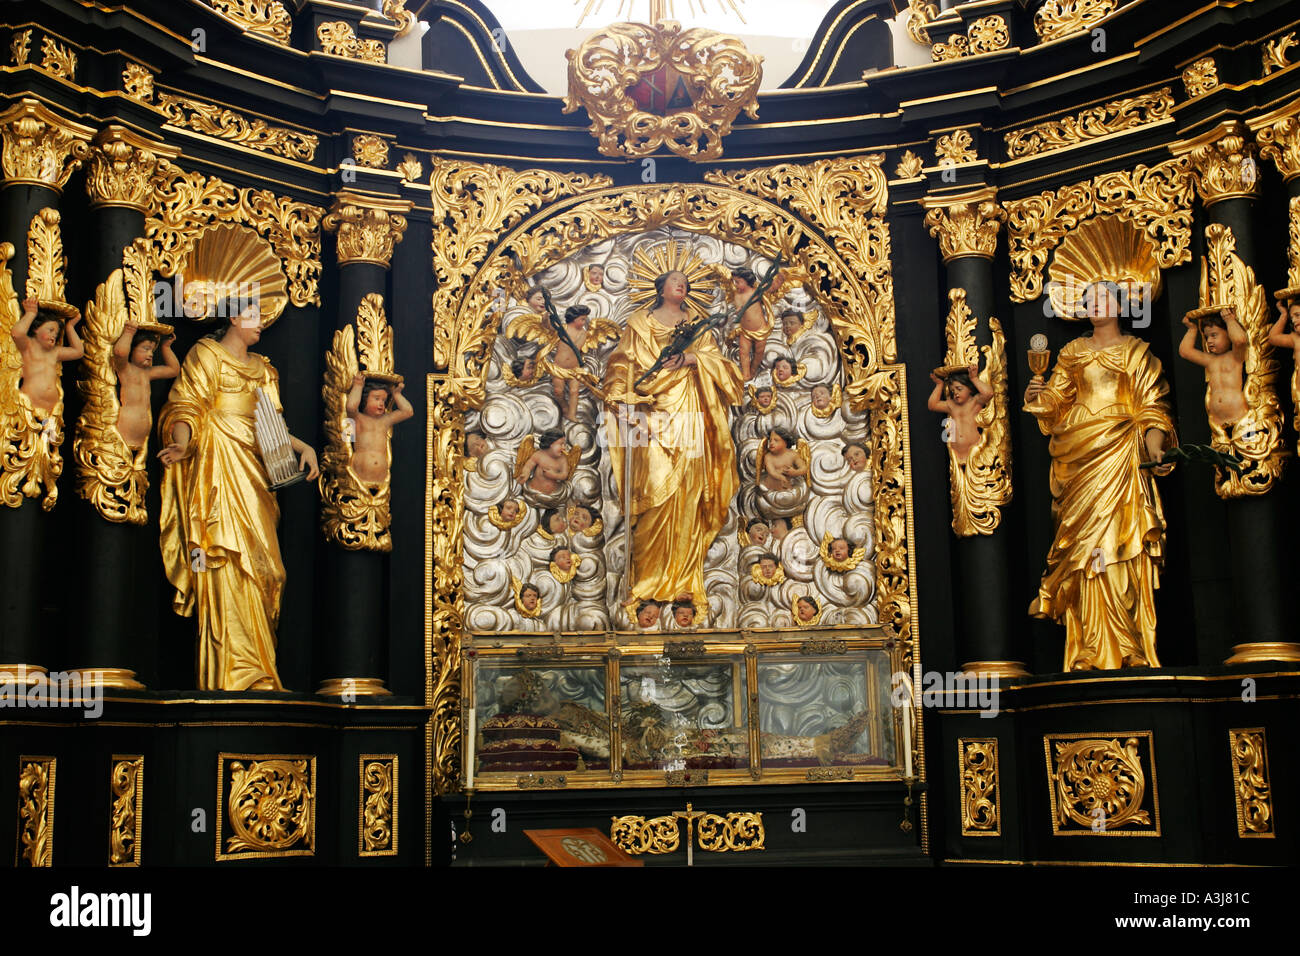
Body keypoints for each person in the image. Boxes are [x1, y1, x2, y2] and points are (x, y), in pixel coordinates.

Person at [157, 296, 319, 691]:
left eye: (263, 318)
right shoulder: (205, 355)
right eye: (253, 316)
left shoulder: (264, 369)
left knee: (267, 569)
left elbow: (271, 426)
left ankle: (261, 670)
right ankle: (229, 674)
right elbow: (186, 406)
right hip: (215, 470)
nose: (260, 324)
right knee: (220, 558)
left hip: (255, 475)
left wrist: (303, 448)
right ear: (232, 316)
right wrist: (183, 442)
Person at [1023, 282, 1175, 672]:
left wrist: (1155, 446)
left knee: (1121, 544)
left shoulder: (1136, 352)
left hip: (1122, 453)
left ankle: (1130, 646)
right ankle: (1090, 648)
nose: (1096, 307)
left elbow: (1152, 409)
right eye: (1089, 302)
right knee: (1084, 549)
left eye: (1104, 299)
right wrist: (1041, 394)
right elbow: (1057, 400)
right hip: (1080, 458)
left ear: (1121, 305)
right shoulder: (1073, 352)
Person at [603, 270, 743, 622]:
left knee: (689, 493)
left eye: (685, 280)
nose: (682, 284)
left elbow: (723, 367)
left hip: (691, 415)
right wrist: (621, 398)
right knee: (653, 494)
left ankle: (683, 579)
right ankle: (647, 580)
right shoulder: (640, 323)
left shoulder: (698, 325)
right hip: (651, 417)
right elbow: (622, 365)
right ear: (660, 287)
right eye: (674, 279)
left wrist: (691, 359)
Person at [111, 321, 179, 450]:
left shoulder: (148, 373)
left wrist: (166, 348)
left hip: (142, 436)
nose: (150, 354)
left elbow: (173, 370)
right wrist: (129, 332)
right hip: (125, 428)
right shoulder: (126, 370)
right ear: (132, 348)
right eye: (145, 349)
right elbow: (120, 352)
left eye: (152, 350)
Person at [13, 297, 82, 418]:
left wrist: (70, 327)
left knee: (49, 437)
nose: (53, 336)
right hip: (29, 406)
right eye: (50, 330)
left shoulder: (54, 352)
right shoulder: (28, 346)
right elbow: (17, 333)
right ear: (35, 329)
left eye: (56, 334)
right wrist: (30, 313)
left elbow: (78, 352)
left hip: (52, 411)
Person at [1179, 308, 1247, 428]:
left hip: (1239, 416)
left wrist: (1229, 320)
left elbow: (1240, 340)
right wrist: (1192, 329)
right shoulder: (1210, 360)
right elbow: (1185, 352)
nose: (1209, 341)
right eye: (1206, 337)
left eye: (1214, 335)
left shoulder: (1236, 356)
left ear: (1228, 334)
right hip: (1217, 422)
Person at [345, 374, 413, 484]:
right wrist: (358, 386)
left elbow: (408, 411)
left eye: (384, 400)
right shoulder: (358, 418)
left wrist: (396, 394)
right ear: (364, 399)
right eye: (376, 399)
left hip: (381, 478)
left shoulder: (385, 420)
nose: (381, 404)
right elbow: (351, 407)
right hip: (359, 475)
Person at [928, 363, 993, 462]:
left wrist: (974, 379)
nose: (956, 393)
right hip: (955, 454)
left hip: (974, 452)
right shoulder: (951, 405)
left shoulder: (975, 402)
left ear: (970, 388)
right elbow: (932, 405)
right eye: (952, 391)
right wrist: (939, 385)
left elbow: (989, 393)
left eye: (959, 389)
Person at [730, 267, 771, 381]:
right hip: (745, 330)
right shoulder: (737, 295)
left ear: (747, 281)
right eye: (734, 282)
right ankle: (746, 374)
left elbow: (769, 292)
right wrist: (739, 310)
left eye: (738, 282)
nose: (735, 284)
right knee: (743, 352)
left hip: (760, 329)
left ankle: (753, 370)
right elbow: (738, 307)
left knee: (759, 353)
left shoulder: (756, 293)